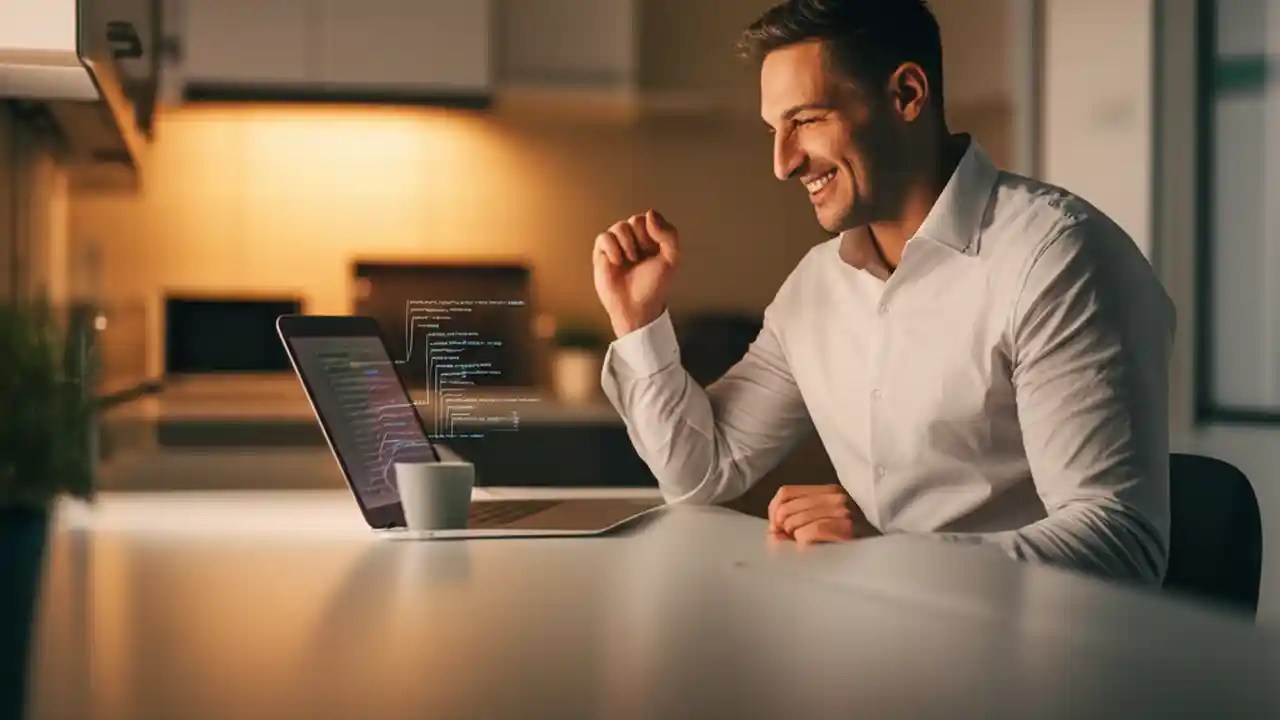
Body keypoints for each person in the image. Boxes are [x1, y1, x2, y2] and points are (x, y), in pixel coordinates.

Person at [590, 0, 1175, 583]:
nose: (783, 162)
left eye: (806, 120)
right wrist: (640, 320)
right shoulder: (816, 288)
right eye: (775, 130)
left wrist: (893, 557)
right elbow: (704, 470)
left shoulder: (1056, 260)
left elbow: (1120, 543)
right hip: (873, 642)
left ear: (907, 95)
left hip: (1035, 662)